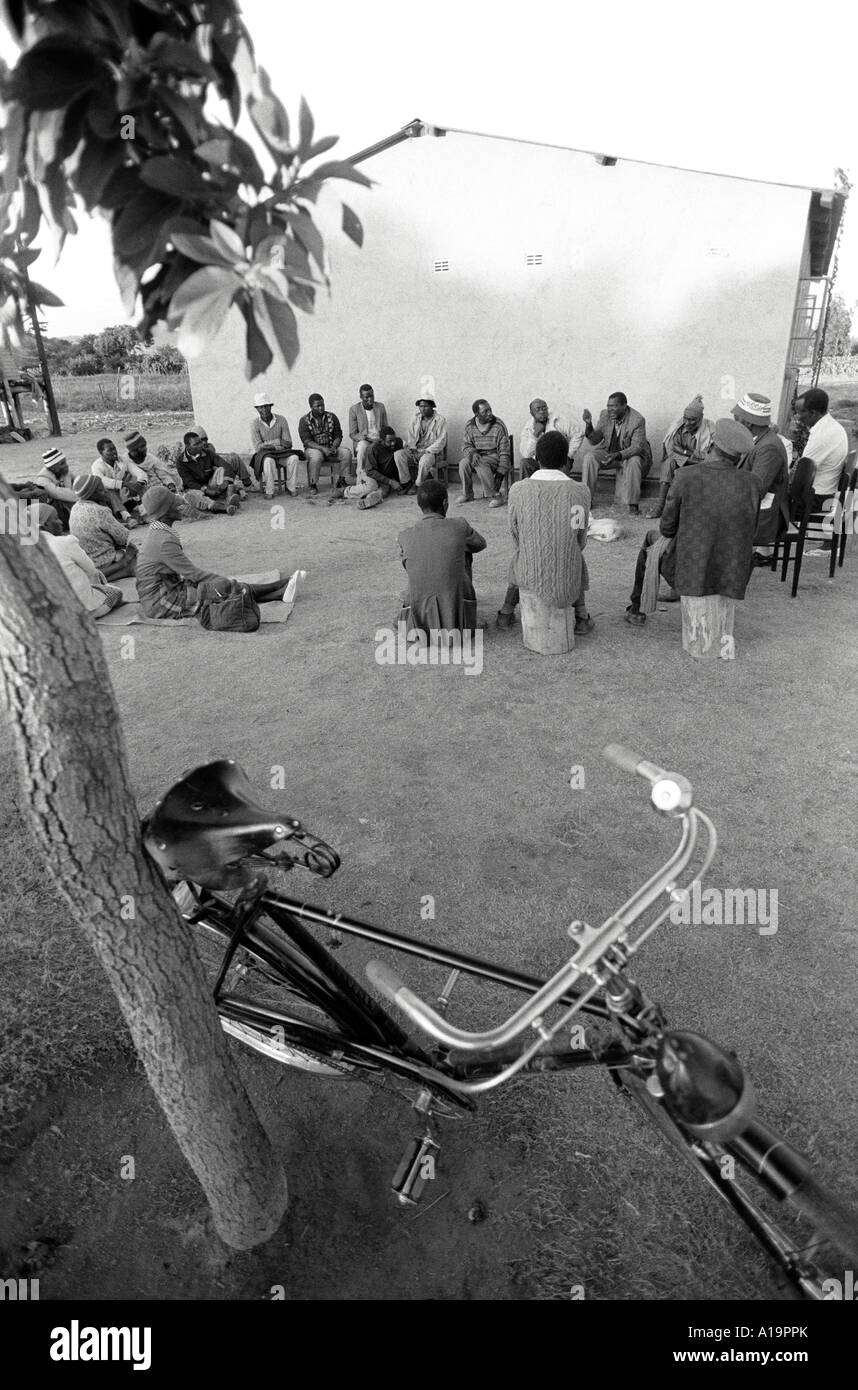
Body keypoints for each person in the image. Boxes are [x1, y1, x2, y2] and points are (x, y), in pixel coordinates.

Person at [624, 418, 759, 625]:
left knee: (651, 539)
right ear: (738, 457)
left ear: (711, 446)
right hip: (731, 571)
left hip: (691, 569)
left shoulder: (685, 476)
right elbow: (751, 529)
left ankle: (636, 609)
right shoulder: (752, 483)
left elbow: (667, 528)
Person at [135, 485, 293, 619]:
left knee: (215, 588)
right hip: (161, 601)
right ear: (166, 510)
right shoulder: (163, 541)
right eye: (174, 501)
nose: (179, 502)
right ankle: (277, 589)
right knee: (219, 588)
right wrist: (225, 582)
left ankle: (277, 591)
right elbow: (193, 574)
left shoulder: (159, 533)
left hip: (163, 592)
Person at [497, 429, 594, 634]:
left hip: (529, 570)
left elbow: (515, 534)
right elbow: (581, 539)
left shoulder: (518, 489)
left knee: (521, 555)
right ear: (566, 460)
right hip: (568, 570)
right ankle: (582, 616)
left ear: (537, 458)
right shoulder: (581, 491)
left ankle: (506, 611)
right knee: (576, 555)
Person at [397, 479, 486, 634]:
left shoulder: (405, 535)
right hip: (456, 620)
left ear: (420, 505)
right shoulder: (459, 526)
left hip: (420, 613)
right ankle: (462, 610)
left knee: (422, 562)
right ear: (445, 503)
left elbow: (407, 566)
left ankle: (411, 613)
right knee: (464, 552)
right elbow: (480, 544)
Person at [730, 392, 789, 566]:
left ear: (747, 422)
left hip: (762, 514)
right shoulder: (760, 440)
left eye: (736, 419)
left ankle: (722, 575)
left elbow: (755, 490)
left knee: (705, 519)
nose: (734, 423)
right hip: (754, 505)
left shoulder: (768, 447)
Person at [788, 387, 850, 524]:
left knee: (770, 502)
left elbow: (800, 475)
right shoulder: (833, 427)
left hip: (816, 500)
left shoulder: (822, 434)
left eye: (800, 412)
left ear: (813, 413)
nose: (797, 417)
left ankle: (772, 540)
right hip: (824, 494)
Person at [580, 392, 649, 513]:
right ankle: (586, 500)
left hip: (628, 456)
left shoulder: (637, 420)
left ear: (624, 405)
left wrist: (618, 455)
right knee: (589, 457)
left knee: (634, 462)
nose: (610, 409)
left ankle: (633, 505)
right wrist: (588, 425)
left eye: (614, 406)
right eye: (608, 406)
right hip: (608, 453)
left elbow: (637, 447)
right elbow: (594, 440)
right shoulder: (605, 415)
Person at [647, 396, 714, 518]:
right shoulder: (677, 427)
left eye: (692, 420)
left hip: (701, 466)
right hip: (685, 462)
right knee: (668, 464)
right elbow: (671, 450)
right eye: (685, 418)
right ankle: (660, 507)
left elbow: (709, 456)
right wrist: (690, 458)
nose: (687, 423)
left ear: (700, 419)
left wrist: (685, 452)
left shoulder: (710, 430)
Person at [69, 474, 138, 579]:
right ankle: (123, 567)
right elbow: (123, 538)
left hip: (86, 559)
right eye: (101, 490)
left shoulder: (75, 508)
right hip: (104, 560)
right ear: (91, 494)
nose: (105, 491)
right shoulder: (101, 511)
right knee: (137, 550)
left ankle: (106, 576)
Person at [44, 531, 125, 619]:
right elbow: (91, 571)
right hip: (84, 611)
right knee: (116, 592)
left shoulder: (31, 555)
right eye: (56, 518)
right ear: (45, 524)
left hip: (55, 615)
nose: (60, 522)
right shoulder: (64, 542)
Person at [457, 399, 512, 507]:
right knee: (463, 463)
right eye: (485, 411)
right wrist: (472, 453)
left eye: (490, 409)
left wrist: (500, 474)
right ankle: (467, 494)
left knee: (479, 461)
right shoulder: (470, 425)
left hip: (494, 457)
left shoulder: (499, 425)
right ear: (477, 414)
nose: (489, 413)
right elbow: (466, 445)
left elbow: (505, 453)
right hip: (478, 456)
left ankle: (495, 495)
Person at [332, 426, 404, 508]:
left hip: (383, 476)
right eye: (390, 441)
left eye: (394, 440)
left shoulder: (398, 443)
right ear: (381, 440)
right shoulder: (373, 448)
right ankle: (344, 491)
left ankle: (369, 500)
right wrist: (390, 482)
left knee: (384, 492)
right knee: (372, 486)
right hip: (368, 473)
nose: (393, 443)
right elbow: (370, 471)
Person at [298, 394, 353, 494]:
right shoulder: (304, 421)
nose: (321, 408)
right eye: (317, 406)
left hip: (331, 447)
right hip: (313, 449)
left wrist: (334, 447)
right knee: (316, 456)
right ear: (311, 407)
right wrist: (323, 449)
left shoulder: (332, 417)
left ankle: (341, 480)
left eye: (322, 405)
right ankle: (313, 484)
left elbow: (338, 435)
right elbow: (307, 441)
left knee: (346, 453)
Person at [250, 392, 303, 497]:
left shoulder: (281, 420)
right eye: (260, 407)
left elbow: (288, 443)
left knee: (294, 458)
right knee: (268, 461)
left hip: (282, 454)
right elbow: (258, 447)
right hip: (266, 456)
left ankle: (290, 487)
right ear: (257, 409)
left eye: (266, 406)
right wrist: (278, 442)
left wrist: (269, 445)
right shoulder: (255, 424)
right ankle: (270, 491)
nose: (264, 409)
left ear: (270, 406)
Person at [519, 399, 586, 479]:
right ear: (531, 413)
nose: (542, 412)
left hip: (559, 460)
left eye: (544, 408)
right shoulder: (528, 427)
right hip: (539, 461)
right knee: (525, 463)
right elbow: (526, 454)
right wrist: (535, 435)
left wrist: (568, 454)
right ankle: (526, 490)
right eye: (538, 409)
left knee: (564, 466)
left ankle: (562, 490)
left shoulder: (558, 420)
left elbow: (579, 433)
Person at [176, 431, 240, 513]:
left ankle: (229, 497)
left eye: (200, 442)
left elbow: (224, 464)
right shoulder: (180, 461)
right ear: (187, 446)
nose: (200, 446)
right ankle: (225, 508)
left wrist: (225, 481)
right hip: (196, 488)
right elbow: (189, 482)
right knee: (195, 496)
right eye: (196, 444)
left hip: (210, 483)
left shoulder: (208, 452)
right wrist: (205, 490)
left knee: (221, 469)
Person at [394, 398, 448, 494]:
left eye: (426, 406)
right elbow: (410, 436)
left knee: (425, 460)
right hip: (416, 450)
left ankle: (417, 484)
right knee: (398, 454)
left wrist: (425, 451)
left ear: (432, 406)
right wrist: (413, 449)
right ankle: (406, 483)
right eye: (421, 406)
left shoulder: (440, 420)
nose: (422, 409)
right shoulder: (415, 418)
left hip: (431, 452)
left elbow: (441, 441)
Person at [91, 437, 148, 523]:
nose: (114, 452)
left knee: (138, 483)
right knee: (110, 490)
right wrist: (124, 484)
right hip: (108, 503)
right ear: (101, 453)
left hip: (124, 499)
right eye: (109, 450)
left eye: (114, 448)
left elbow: (139, 472)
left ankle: (145, 514)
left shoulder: (122, 459)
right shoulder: (96, 466)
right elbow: (103, 482)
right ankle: (127, 518)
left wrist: (138, 485)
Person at [31, 446, 78, 530]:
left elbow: (79, 481)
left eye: (65, 462)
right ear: (53, 468)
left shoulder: (64, 472)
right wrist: (86, 494)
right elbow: (61, 494)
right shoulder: (43, 480)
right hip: (57, 514)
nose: (66, 465)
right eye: (62, 464)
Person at [348, 385, 390, 473]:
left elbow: (385, 427)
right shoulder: (354, 409)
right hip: (364, 440)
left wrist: (383, 439)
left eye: (372, 396)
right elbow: (353, 434)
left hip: (378, 439)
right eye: (366, 397)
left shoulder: (380, 407)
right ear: (361, 397)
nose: (370, 399)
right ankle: (360, 476)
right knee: (363, 447)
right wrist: (364, 438)